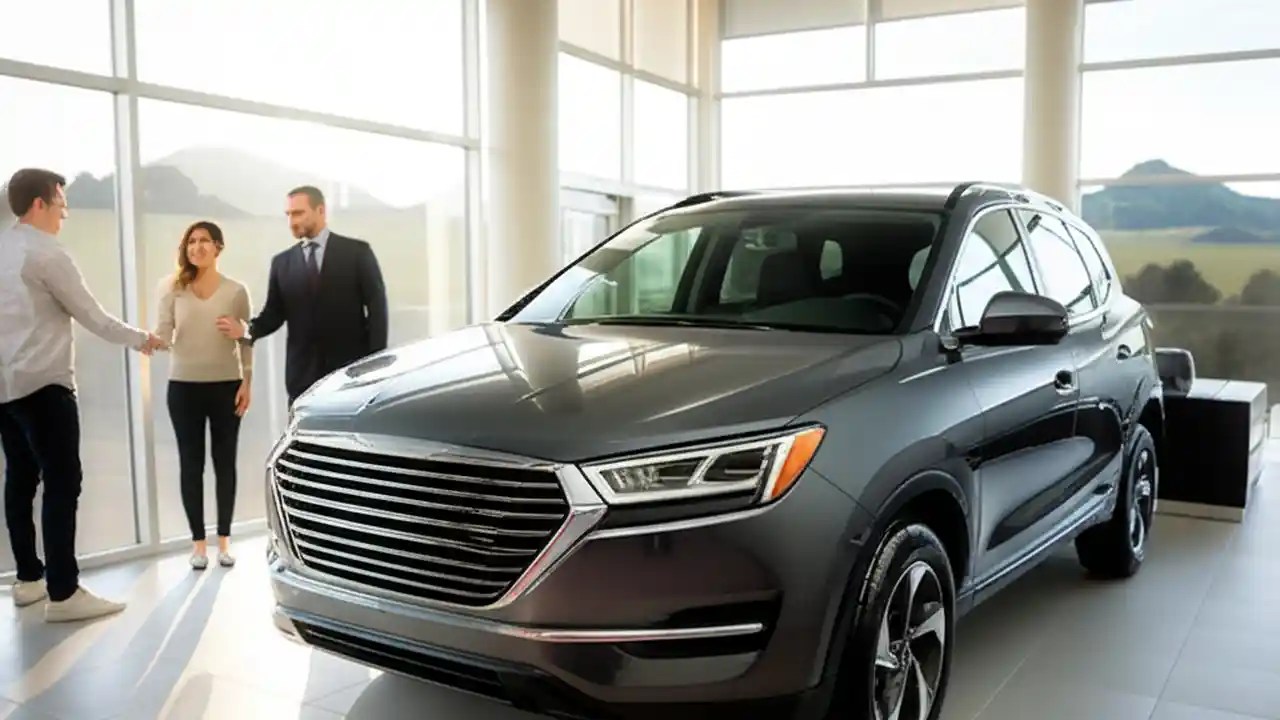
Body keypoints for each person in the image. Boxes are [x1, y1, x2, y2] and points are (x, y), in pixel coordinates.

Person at [0, 168, 164, 623]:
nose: (65, 212)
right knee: (62, 483)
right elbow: (93, 316)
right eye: (60, 202)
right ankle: (65, 591)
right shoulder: (47, 253)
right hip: (44, 386)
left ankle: (29, 580)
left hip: (5, 392)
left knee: (19, 480)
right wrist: (142, 339)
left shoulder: (3, 247)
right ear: (39, 204)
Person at [216, 186, 388, 405]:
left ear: (320, 211)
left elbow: (377, 310)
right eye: (288, 215)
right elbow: (273, 313)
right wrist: (247, 331)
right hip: (302, 380)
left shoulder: (357, 253)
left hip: (351, 375)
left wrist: (375, 366)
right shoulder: (282, 263)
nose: (292, 221)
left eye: (298, 213)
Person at [154, 221, 251, 571]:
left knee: (225, 465)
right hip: (183, 388)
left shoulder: (236, 291)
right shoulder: (171, 288)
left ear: (218, 247)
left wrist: (247, 382)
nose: (196, 247)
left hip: (227, 385)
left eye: (204, 241)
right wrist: (149, 340)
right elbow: (164, 335)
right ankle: (198, 545)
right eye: (191, 242)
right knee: (190, 466)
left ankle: (224, 541)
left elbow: (246, 340)